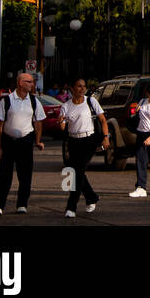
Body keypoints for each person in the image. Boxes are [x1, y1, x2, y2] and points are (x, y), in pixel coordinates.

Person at [0, 73, 46, 216]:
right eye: (29, 82)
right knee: (4, 175)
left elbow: (38, 122)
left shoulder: (34, 101)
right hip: (8, 141)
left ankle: (22, 204)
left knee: (25, 175)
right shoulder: (7, 101)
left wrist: (37, 141)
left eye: (32, 82)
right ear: (20, 83)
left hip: (25, 141)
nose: (32, 84)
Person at [59, 77, 108, 217]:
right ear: (72, 89)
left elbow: (103, 120)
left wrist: (106, 138)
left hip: (89, 140)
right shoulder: (66, 106)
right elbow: (63, 127)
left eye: (83, 86)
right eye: (79, 86)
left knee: (78, 172)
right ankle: (91, 197)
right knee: (73, 172)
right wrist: (61, 123)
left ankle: (71, 207)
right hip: (73, 141)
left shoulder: (91, 101)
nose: (82, 89)